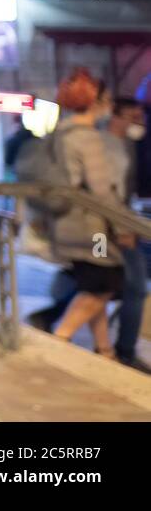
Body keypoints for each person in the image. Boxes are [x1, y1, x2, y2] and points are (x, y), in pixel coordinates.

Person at [46, 71, 126, 357]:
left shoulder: (59, 134)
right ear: (97, 102)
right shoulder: (88, 138)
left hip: (65, 224)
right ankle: (59, 338)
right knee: (105, 283)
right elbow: (102, 191)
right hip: (94, 230)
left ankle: (104, 350)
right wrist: (124, 226)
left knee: (94, 284)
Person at [106, 97, 150, 371]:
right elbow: (107, 193)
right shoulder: (107, 147)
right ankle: (124, 351)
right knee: (132, 286)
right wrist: (124, 228)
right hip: (109, 229)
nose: (140, 125)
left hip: (123, 224)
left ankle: (116, 348)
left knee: (101, 281)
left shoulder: (128, 146)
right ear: (117, 116)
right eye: (134, 118)